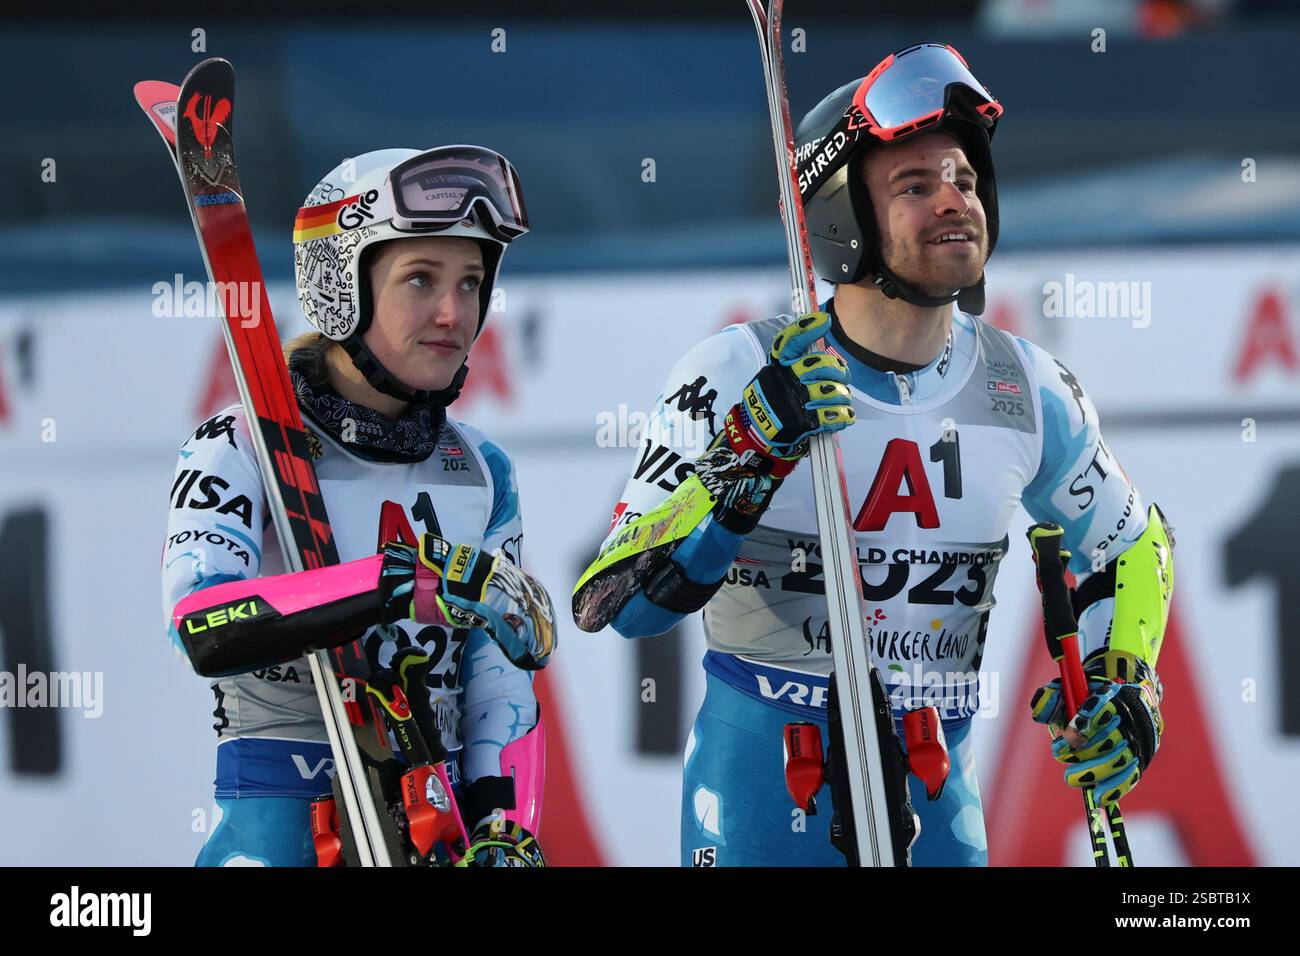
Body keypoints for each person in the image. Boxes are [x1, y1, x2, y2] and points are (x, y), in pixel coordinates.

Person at [574, 43, 1171, 867]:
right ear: (840, 219)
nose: (954, 201)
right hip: (764, 795)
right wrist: (745, 455)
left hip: (938, 800)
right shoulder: (739, 370)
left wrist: (1122, 678)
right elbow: (622, 605)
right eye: (915, 187)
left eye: (963, 178)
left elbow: (1134, 543)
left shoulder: (1025, 385)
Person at [162, 146, 555, 867]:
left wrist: (506, 824)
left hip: (434, 825)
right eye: (419, 279)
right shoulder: (237, 446)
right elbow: (200, 625)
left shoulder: (481, 470)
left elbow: (499, 680)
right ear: (341, 285)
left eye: (471, 282)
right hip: (284, 825)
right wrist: (406, 581)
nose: (453, 312)